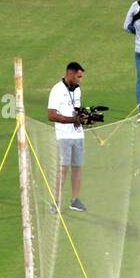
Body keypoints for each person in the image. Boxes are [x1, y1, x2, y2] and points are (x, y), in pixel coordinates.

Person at [47, 62, 87, 213]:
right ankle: (55, 202)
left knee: (77, 167)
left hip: (78, 134)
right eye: (78, 77)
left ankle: (75, 200)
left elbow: (76, 111)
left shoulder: (77, 90)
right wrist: (72, 120)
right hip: (63, 135)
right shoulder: (57, 90)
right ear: (70, 74)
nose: (80, 80)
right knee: (63, 168)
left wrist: (84, 118)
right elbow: (51, 115)